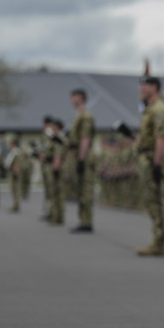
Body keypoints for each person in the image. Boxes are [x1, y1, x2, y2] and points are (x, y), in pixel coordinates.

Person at [135, 77, 164, 256]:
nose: (141, 88)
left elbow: (161, 137)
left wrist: (157, 163)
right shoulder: (149, 109)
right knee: (151, 200)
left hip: (152, 159)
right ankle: (156, 239)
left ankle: (159, 242)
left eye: (145, 85)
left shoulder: (159, 108)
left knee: (157, 200)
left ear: (154, 87)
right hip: (146, 157)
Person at [67, 89, 96, 233]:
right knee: (80, 189)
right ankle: (83, 219)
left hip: (82, 156)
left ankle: (87, 221)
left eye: (74, 97)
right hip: (76, 154)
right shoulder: (79, 115)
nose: (72, 99)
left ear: (81, 98)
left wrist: (81, 159)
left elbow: (85, 138)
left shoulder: (85, 116)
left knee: (85, 189)